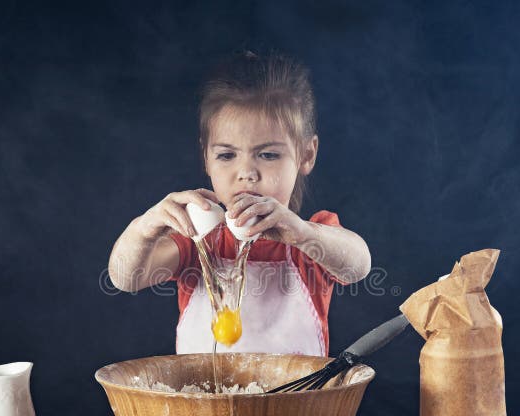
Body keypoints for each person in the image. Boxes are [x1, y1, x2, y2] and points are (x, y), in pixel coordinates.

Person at [108, 50, 371, 357]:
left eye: (269, 155)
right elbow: (125, 278)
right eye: (227, 155)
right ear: (206, 157)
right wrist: (144, 228)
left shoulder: (308, 244)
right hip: (204, 402)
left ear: (306, 155)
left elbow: (358, 266)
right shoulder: (196, 243)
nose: (246, 173)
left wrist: (302, 232)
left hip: (296, 404)